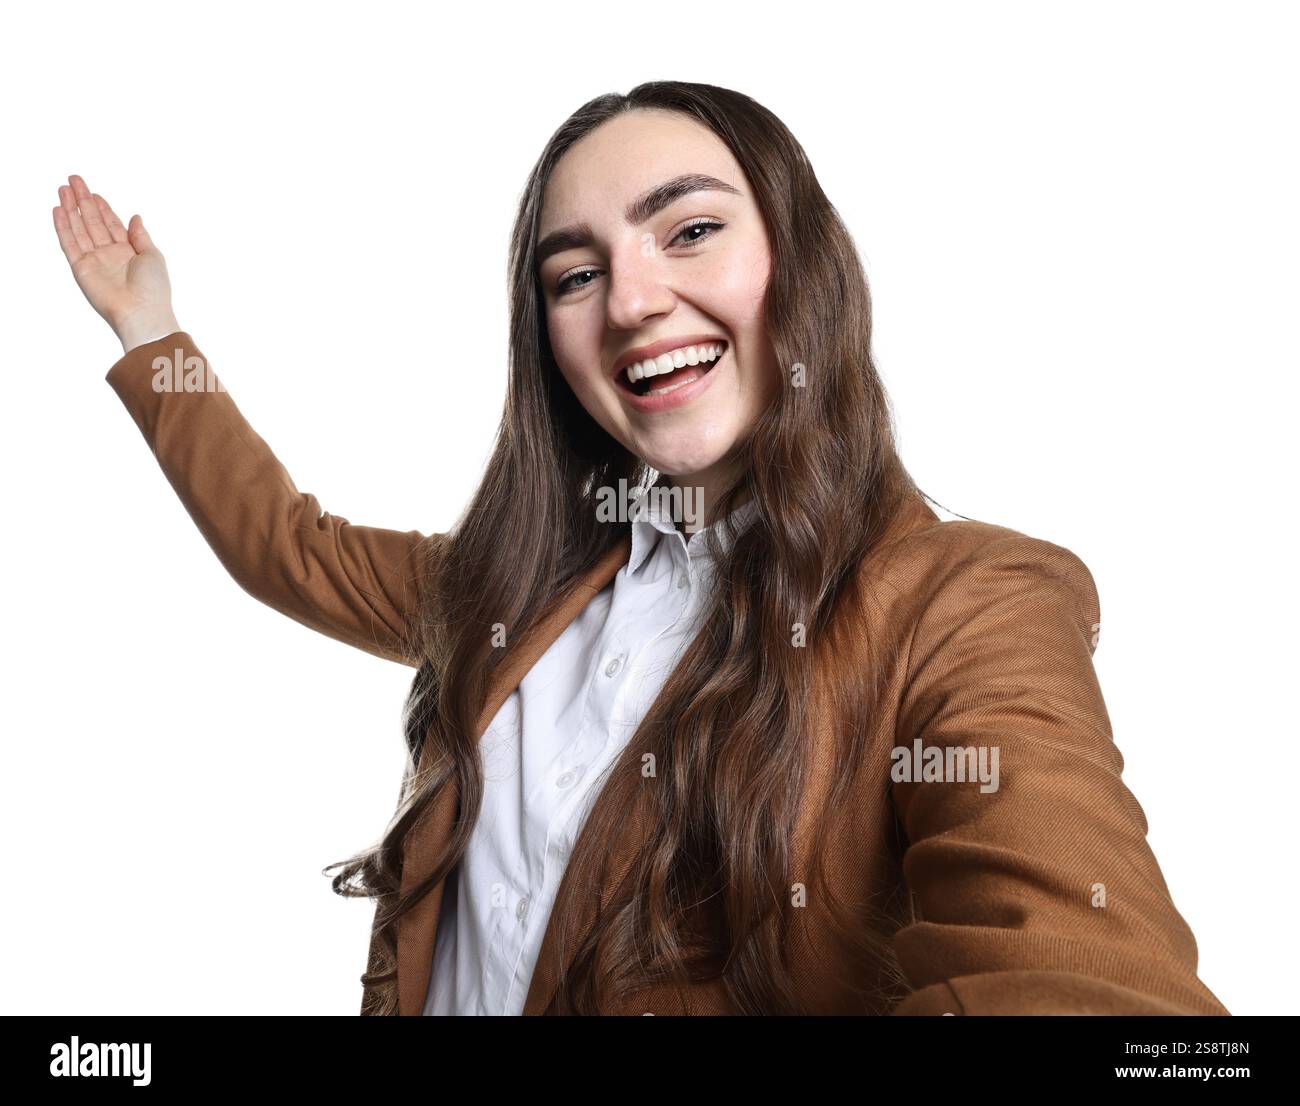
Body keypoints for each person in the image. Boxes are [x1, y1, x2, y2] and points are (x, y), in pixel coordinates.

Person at [53, 80, 1229, 1017]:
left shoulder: (967, 606)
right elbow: (288, 549)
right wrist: (151, 331)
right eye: (576, 274)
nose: (631, 299)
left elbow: (1085, 974)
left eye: (693, 229)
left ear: (802, 266)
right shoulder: (517, 585)